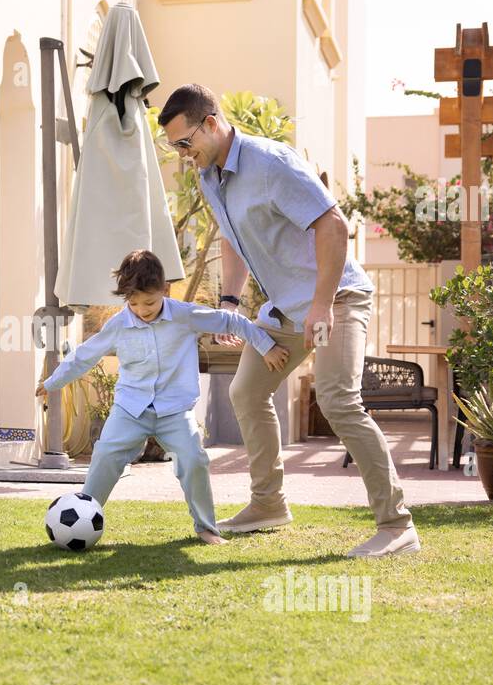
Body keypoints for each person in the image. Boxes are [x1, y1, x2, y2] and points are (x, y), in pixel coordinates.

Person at [158, 83, 420, 558]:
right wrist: (232, 303)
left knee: (339, 401)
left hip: (337, 296)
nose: (182, 154)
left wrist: (321, 303)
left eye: (184, 142)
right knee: (246, 391)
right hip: (286, 308)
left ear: (212, 125)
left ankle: (396, 525)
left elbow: (332, 224)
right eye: (175, 146)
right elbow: (234, 241)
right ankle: (268, 505)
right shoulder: (210, 178)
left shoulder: (270, 163)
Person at [36, 250, 289, 545]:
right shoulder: (119, 324)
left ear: (164, 290)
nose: (141, 309)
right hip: (130, 408)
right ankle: (82, 517)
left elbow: (233, 322)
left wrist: (266, 346)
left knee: (194, 459)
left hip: (175, 411)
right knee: (105, 454)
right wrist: (53, 382)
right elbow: (84, 355)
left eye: (149, 302)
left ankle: (206, 528)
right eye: (133, 303)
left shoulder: (184, 315)